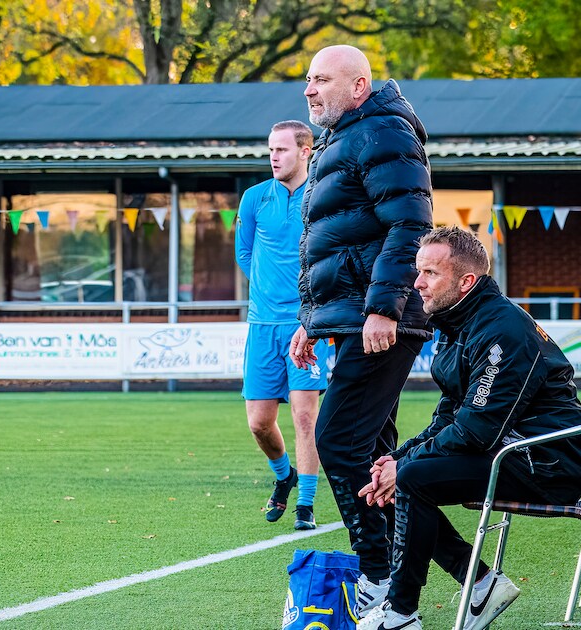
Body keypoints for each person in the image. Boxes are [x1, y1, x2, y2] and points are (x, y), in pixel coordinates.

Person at [355, 227, 581, 630]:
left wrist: (405, 465)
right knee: (402, 476)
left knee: (412, 479)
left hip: (547, 463)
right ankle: (480, 584)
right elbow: (449, 415)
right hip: (511, 451)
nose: (417, 283)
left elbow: (476, 430)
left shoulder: (501, 329)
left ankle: (399, 613)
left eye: (430, 273)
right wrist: (397, 457)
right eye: (419, 271)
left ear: (466, 281)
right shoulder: (455, 323)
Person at [287, 44, 434, 614]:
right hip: (355, 318)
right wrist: (312, 321)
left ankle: (378, 573)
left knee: (337, 442)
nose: (309, 88)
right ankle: (466, 580)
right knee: (375, 459)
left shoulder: (383, 132)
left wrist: (384, 308)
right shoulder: (343, 138)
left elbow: (409, 225)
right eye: (307, 79)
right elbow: (335, 243)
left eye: (321, 79)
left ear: (359, 86)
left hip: (382, 321)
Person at [236, 120, 330, 531]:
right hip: (261, 327)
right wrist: (266, 293)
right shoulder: (254, 198)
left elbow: (332, 259)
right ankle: (284, 476)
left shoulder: (325, 197)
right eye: (271, 149)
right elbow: (244, 255)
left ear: (305, 151)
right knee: (258, 422)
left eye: (282, 150)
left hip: (306, 326)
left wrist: (310, 310)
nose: (274, 156)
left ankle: (305, 507)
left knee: (305, 416)